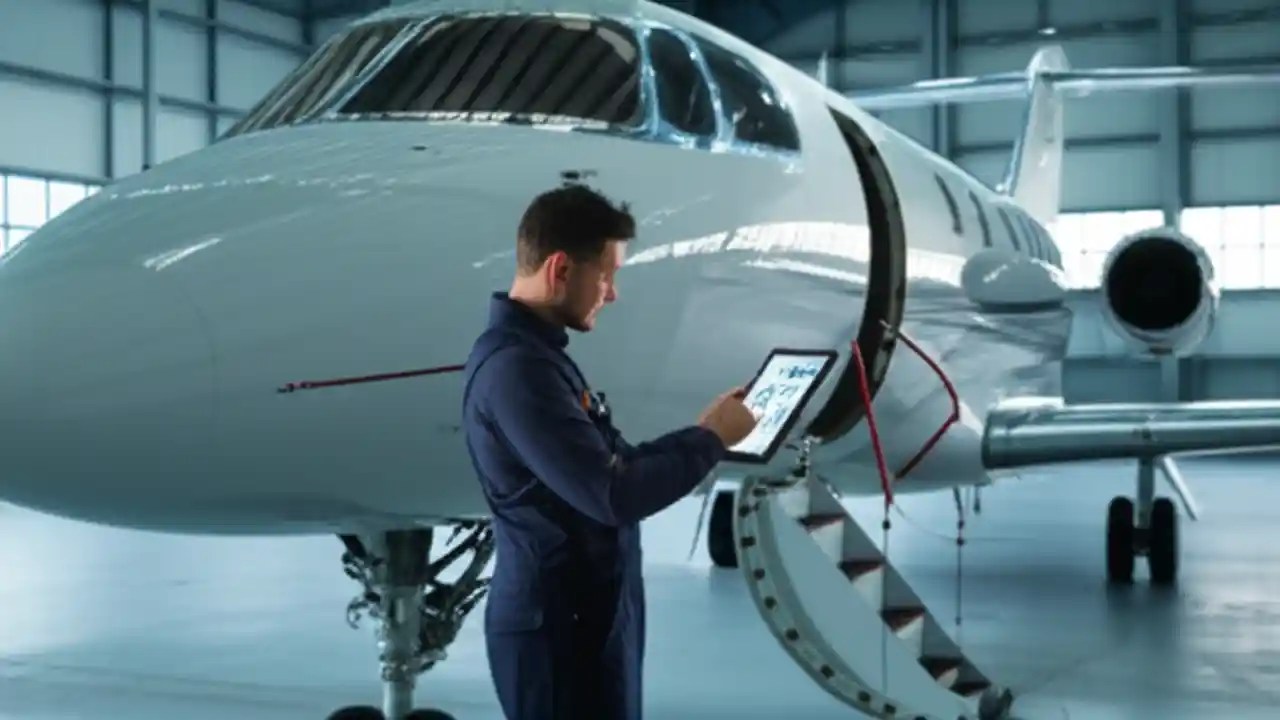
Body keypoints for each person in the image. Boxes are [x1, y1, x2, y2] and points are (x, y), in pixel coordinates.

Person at [460, 184, 758, 720]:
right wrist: (711, 441)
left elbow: (616, 463)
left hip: (583, 621)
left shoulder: (540, 358)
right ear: (560, 269)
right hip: (558, 637)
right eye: (606, 275)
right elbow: (612, 494)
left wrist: (704, 431)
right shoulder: (519, 371)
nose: (612, 294)